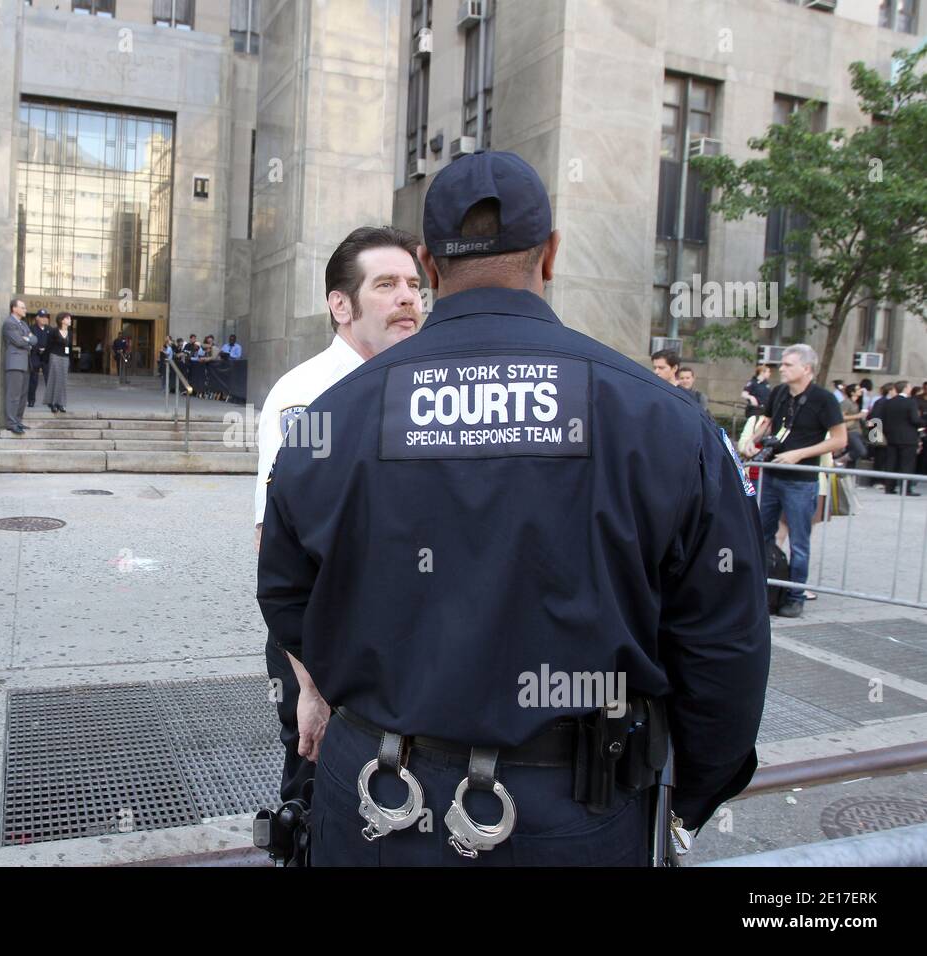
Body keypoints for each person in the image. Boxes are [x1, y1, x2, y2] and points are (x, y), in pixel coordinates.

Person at [257, 152, 769, 867]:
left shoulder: (328, 421)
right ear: (551, 254)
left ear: (430, 265)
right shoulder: (663, 420)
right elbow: (725, 641)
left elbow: (283, 592)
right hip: (574, 819)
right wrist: (691, 795)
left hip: (374, 803)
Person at [253, 224, 423, 812]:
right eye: (386, 284)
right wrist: (310, 684)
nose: (408, 297)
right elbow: (273, 547)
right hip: (321, 649)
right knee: (315, 800)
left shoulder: (425, 387)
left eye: (413, 283)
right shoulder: (306, 397)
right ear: (340, 304)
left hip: (401, 649)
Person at [749, 344, 847, 617]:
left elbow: (840, 440)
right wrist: (753, 440)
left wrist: (799, 454)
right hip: (772, 476)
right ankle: (760, 591)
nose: (781, 368)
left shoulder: (824, 399)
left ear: (807, 369)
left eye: (788, 364)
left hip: (801, 481)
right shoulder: (779, 393)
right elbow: (767, 423)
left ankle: (795, 595)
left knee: (799, 543)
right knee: (761, 535)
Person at [880, 381, 924, 495]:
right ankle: (906, 489)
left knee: (891, 463)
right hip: (908, 438)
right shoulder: (910, 403)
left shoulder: (888, 403)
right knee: (907, 464)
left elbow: (882, 419)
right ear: (905, 388)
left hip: (891, 437)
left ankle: (889, 487)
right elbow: (915, 420)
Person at [2, 298, 35, 435]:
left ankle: (18, 421)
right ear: (14, 308)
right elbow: (19, 341)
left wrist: (27, 339)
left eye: (25, 308)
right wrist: (27, 339)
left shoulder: (23, 324)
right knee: (13, 395)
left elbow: (34, 339)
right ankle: (11, 423)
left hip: (25, 363)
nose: (25, 310)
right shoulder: (9, 323)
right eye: (22, 307)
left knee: (22, 395)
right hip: (14, 363)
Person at [43, 313, 72, 414]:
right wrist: (45, 359)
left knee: (63, 381)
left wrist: (69, 360)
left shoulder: (70, 333)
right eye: (68, 318)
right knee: (54, 379)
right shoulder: (54, 331)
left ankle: (61, 403)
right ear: (62, 320)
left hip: (65, 358)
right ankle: (53, 403)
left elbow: (69, 348)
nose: (70, 320)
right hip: (54, 356)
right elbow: (49, 345)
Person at [838, 383, 869, 467]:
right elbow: (841, 416)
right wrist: (858, 416)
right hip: (850, 431)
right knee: (860, 451)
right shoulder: (846, 403)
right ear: (852, 392)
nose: (860, 391)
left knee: (853, 455)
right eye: (858, 389)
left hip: (857, 430)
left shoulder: (856, 403)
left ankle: (846, 471)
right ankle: (839, 460)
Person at [27, 309, 53, 408]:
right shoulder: (31, 328)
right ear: (37, 318)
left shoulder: (49, 329)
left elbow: (51, 342)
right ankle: (31, 400)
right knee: (33, 379)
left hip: (46, 356)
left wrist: (46, 350)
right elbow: (30, 341)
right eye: (42, 317)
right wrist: (38, 349)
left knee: (49, 379)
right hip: (35, 355)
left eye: (46, 317)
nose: (44, 319)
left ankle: (50, 400)